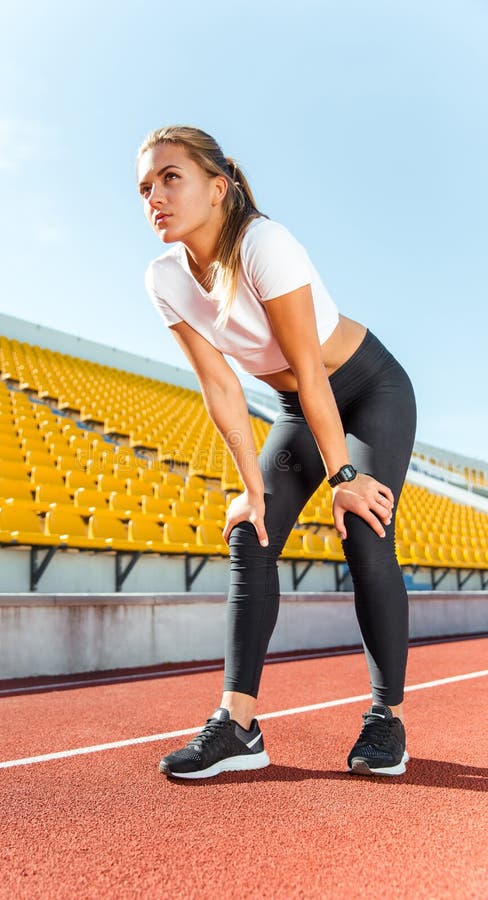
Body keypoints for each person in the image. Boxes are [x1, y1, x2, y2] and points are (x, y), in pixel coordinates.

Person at [136, 125, 417, 780]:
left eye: (170, 178)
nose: (155, 196)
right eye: (145, 187)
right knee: (250, 534)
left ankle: (386, 719)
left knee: (365, 528)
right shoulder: (163, 279)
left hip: (368, 387)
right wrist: (250, 489)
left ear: (217, 186)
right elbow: (221, 387)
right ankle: (237, 726)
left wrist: (345, 476)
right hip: (299, 406)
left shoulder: (264, 244)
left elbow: (310, 368)